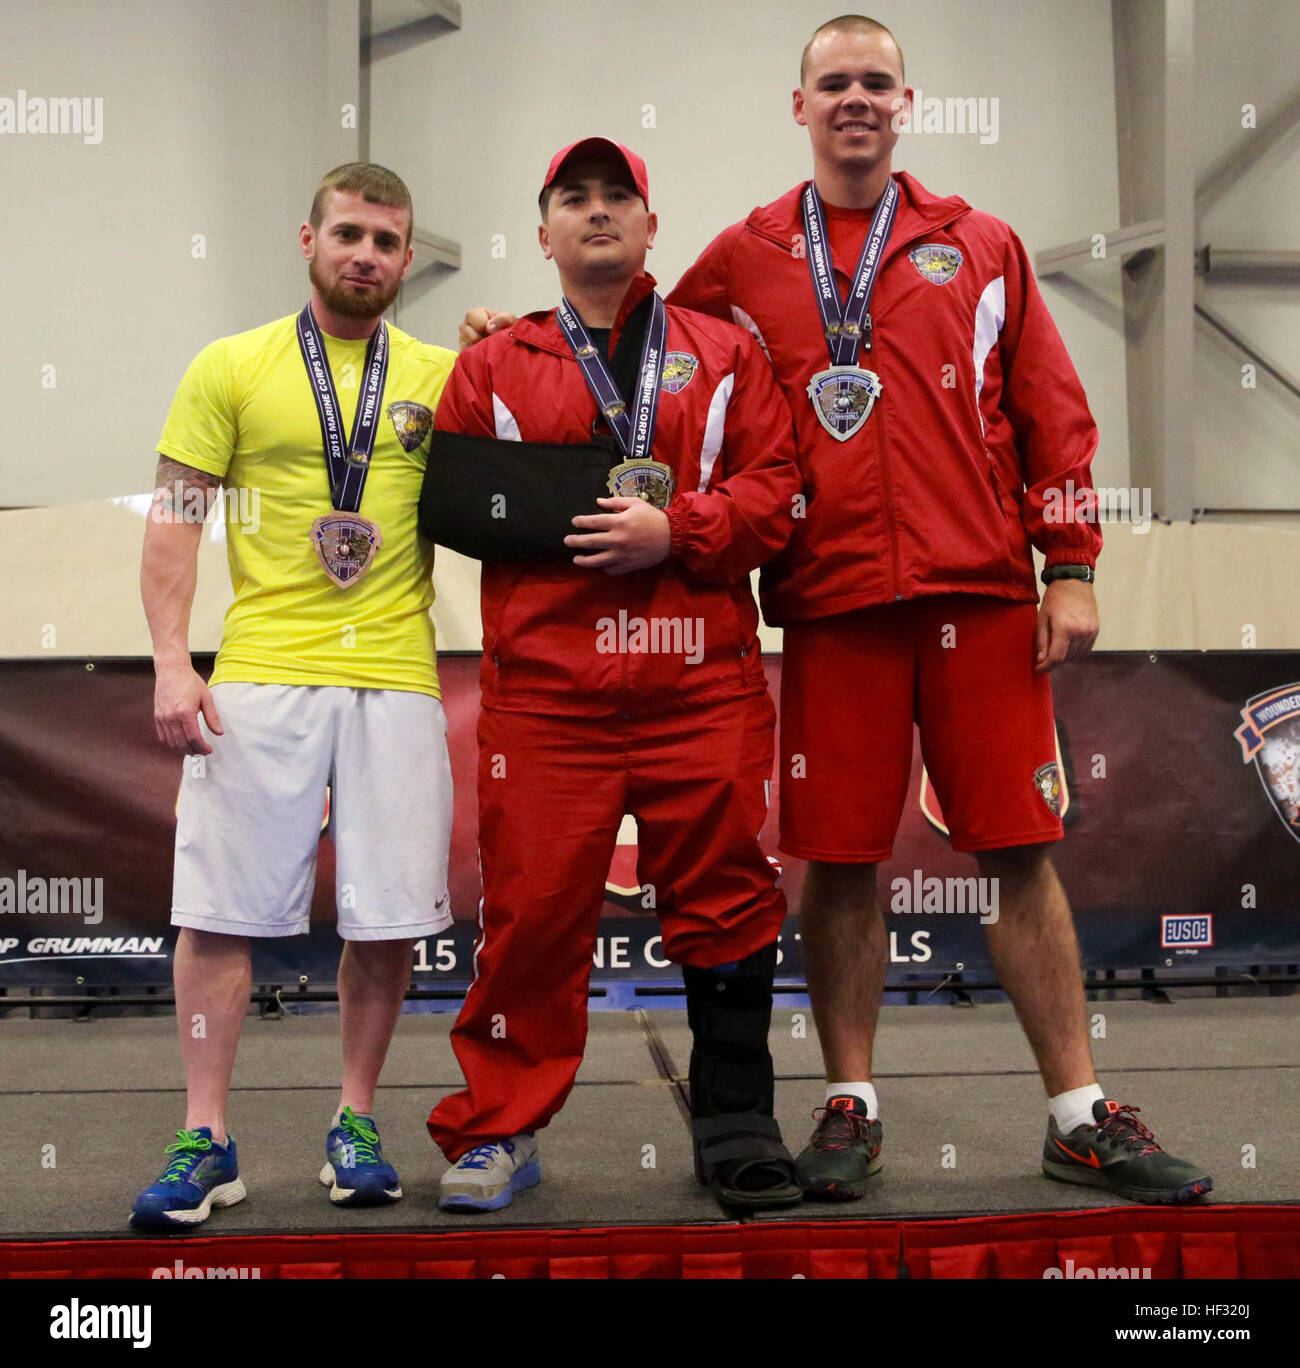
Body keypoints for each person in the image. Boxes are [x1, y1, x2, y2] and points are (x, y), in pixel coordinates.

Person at [460, 18, 1212, 1206]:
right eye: (832, 83)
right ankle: (849, 1105)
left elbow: (1051, 410)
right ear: (796, 105)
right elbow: (638, 331)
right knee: (841, 863)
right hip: (831, 602)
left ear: (904, 101)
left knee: (1022, 850)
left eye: (873, 82)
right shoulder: (745, 253)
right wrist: (510, 334)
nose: (853, 99)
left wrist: (1068, 562)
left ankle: (1077, 1111)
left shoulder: (983, 244)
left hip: (975, 593)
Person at [423, 138, 804, 1214]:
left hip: (699, 686)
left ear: (650, 226)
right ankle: (498, 1130)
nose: (597, 213)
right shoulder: (492, 365)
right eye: (572, 199)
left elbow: (778, 496)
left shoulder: (724, 353)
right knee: (531, 916)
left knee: (730, 904)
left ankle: (736, 1124)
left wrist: (673, 529)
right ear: (543, 232)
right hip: (548, 696)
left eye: (617, 197)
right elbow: (454, 506)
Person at [134, 163, 456, 1229]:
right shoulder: (229, 366)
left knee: (388, 916)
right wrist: (173, 663)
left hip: (397, 679)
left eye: (387, 241)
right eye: (350, 234)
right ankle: (205, 1135)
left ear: (409, 261)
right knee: (218, 915)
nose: (367, 254)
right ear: (308, 238)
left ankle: (355, 1120)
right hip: (260, 673)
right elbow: (176, 519)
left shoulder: (448, 375)